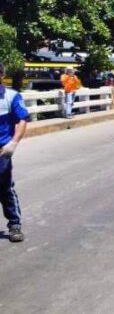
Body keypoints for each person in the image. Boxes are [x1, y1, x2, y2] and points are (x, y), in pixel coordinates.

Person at [0, 63, 29, 243]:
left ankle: (14, 224)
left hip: (2, 150)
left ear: (2, 75)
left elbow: (22, 120)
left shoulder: (11, 96)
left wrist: (14, 143)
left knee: (4, 188)